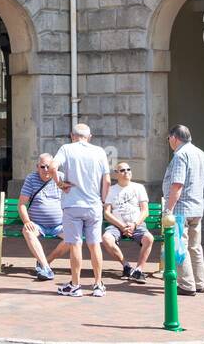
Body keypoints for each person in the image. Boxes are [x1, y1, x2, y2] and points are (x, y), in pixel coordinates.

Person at [49, 123, 110, 296]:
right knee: (94, 244)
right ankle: (98, 284)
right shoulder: (99, 151)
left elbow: (53, 167)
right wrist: (103, 200)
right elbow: (106, 180)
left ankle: (76, 284)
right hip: (93, 204)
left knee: (75, 244)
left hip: (72, 204)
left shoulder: (67, 149)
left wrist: (60, 184)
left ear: (72, 135)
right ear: (89, 136)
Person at [162, 123, 204, 295]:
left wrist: (169, 209)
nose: (169, 142)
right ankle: (199, 282)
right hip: (197, 206)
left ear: (174, 138)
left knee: (180, 245)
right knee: (195, 246)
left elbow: (177, 185)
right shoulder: (200, 153)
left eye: (169, 139)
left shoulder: (180, 155)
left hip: (181, 208)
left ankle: (186, 284)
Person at [17, 154, 70, 280]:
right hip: (37, 224)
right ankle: (46, 268)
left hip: (59, 225)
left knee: (73, 237)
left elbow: (72, 197)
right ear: (37, 167)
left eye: (49, 167)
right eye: (42, 167)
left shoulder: (60, 177)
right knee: (27, 231)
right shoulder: (31, 179)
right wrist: (27, 221)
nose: (46, 170)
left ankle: (45, 261)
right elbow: (21, 204)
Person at [102, 162, 153, 282]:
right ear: (116, 174)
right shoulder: (111, 190)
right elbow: (107, 213)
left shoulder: (139, 187)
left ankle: (139, 270)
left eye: (128, 169)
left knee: (149, 239)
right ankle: (126, 266)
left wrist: (134, 224)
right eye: (122, 170)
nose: (126, 172)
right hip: (117, 225)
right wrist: (122, 226)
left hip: (136, 224)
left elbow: (145, 211)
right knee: (106, 239)